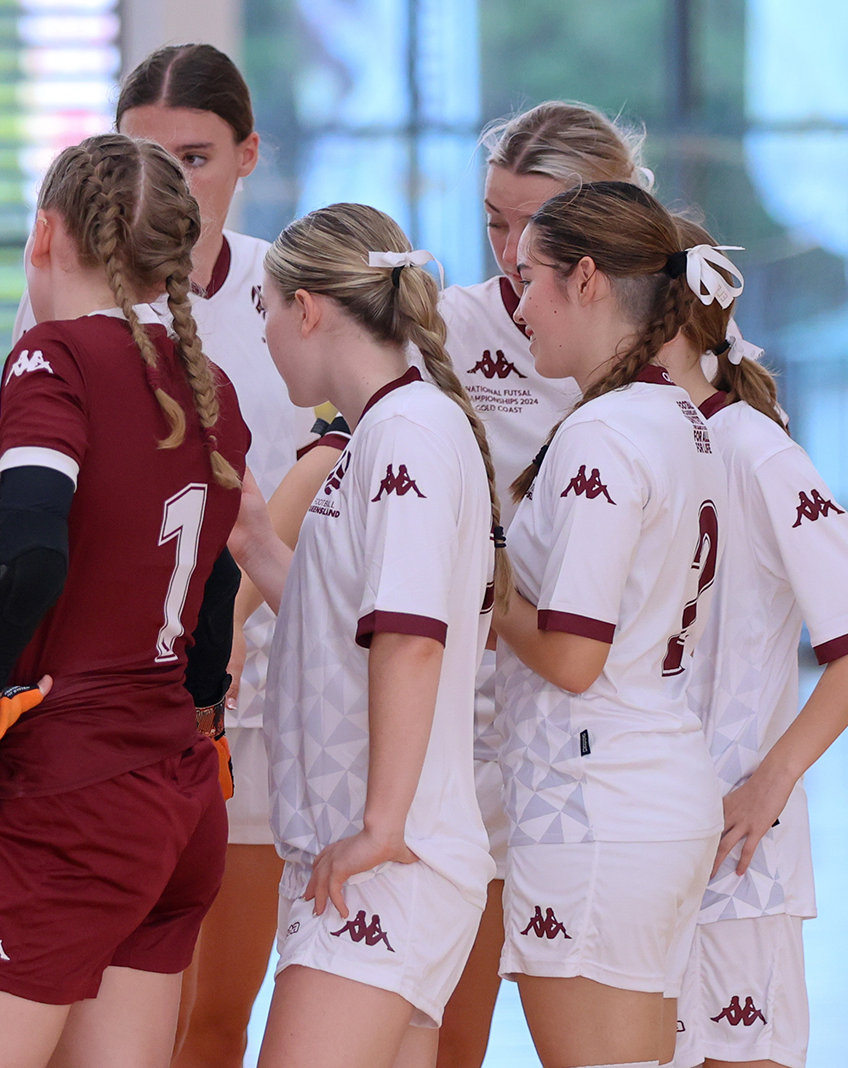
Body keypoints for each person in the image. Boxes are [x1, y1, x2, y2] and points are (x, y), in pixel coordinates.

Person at [0, 132, 248, 1068]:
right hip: (180, 796)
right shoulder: (206, 386)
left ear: (44, 233)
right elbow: (213, 576)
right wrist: (202, 697)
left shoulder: (51, 360)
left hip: (71, 798)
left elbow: (27, 555)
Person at [17, 44, 319, 1068]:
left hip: (263, 693)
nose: (170, 183)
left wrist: (232, 621)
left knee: (213, 1016)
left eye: (195, 156)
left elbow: (290, 502)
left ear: (246, 156)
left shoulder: (295, 293)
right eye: (144, 156)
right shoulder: (57, 302)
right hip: (118, 704)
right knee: (94, 1011)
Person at [226, 203, 503, 1068]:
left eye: (264, 311)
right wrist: (254, 543)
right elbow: (343, 624)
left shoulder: (406, 437)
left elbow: (411, 639)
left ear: (307, 308)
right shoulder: (378, 436)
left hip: (385, 861)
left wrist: (380, 826)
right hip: (368, 855)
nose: (264, 338)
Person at [488, 180, 728, 1068]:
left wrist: (486, 580)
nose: (516, 307)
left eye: (528, 279)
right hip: (652, 789)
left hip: (594, 805)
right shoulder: (681, 417)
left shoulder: (602, 434)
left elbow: (575, 654)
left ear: (586, 279)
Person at [433, 100, 653, 1068]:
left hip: (610, 735)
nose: (512, 246)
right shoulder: (446, 326)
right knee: (444, 1029)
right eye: (494, 219)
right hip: (474, 723)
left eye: (536, 222)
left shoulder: (675, 355)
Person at [662, 220, 848, 1068]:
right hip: (635, 829)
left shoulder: (758, 454)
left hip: (735, 846)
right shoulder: (619, 439)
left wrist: (773, 778)